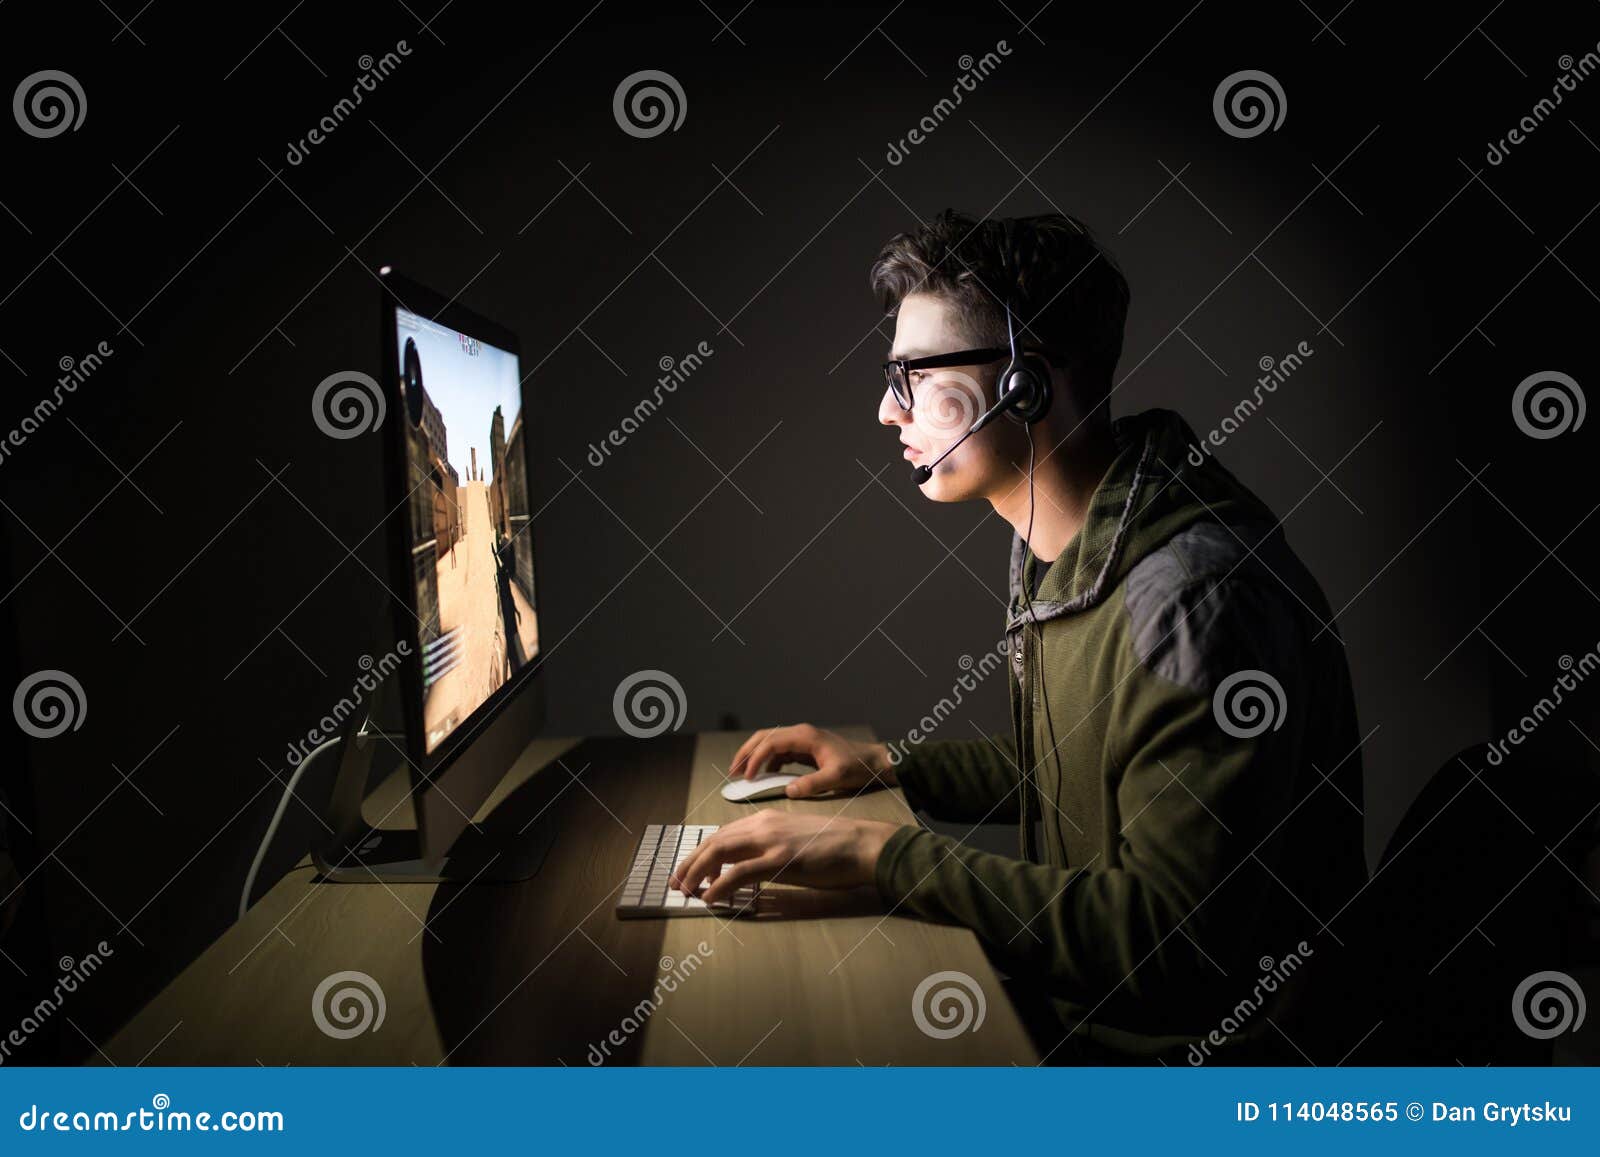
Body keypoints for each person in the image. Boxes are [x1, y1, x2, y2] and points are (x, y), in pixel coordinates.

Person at [671, 210, 1366, 1063]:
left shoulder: (1194, 604)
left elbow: (1175, 945)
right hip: (1085, 1020)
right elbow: (1077, 769)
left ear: (1023, 385)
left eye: (914, 377)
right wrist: (893, 767)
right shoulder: (1067, 547)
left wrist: (878, 850)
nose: (888, 413)